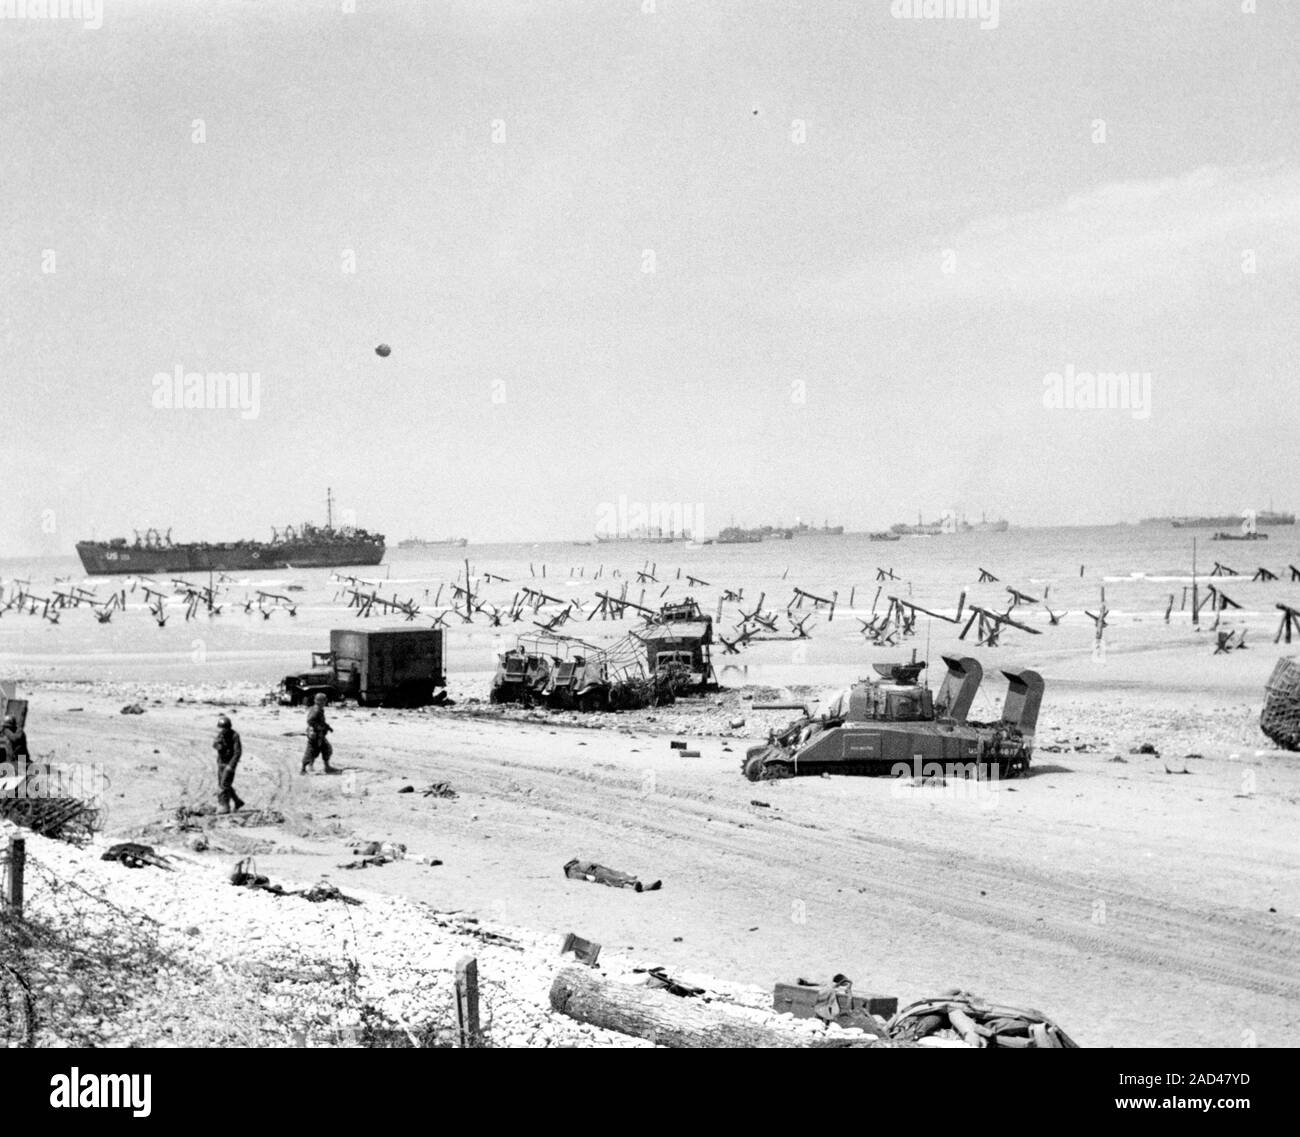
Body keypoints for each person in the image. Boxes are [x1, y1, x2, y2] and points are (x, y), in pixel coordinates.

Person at [212, 714, 245, 813]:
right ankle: (237, 801)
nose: (222, 730)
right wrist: (218, 745)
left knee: (224, 785)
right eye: (221, 728)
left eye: (224, 728)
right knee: (223, 784)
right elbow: (214, 744)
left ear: (228, 727)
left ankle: (225, 806)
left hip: (229, 764)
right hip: (221, 762)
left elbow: (237, 752)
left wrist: (231, 765)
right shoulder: (221, 735)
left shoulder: (235, 736)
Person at [302, 693, 334, 774]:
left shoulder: (318, 709)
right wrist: (318, 728)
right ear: (320, 701)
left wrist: (327, 727)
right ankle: (306, 768)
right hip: (316, 734)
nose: (325, 702)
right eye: (324, 700)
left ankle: (326, 767)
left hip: (319, 734)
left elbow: (321, 721)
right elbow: (310, 720)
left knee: (326, 749)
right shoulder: (316, 710)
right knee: (312, 750)